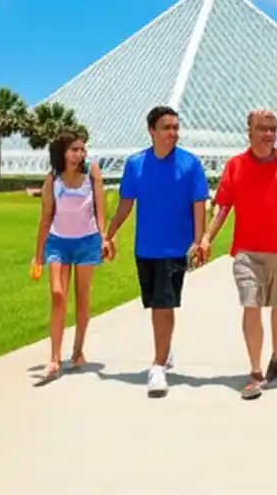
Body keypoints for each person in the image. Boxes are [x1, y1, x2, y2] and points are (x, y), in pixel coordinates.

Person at [200, 109, 277, 400]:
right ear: (248, 131)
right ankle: (255, 371)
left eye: (273, 129)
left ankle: (276, 358)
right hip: (247, 253)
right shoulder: (236, 166)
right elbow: (223, 206)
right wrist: (206, 238)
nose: (268, 134)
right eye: (262, 128)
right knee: (250, 304)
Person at [105, 105, 209, 398]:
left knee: (164, 305)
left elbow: (198, 203)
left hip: (175, 248)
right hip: (145, 249)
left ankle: (158, 366)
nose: (173, 133)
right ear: (151, 130)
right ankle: (166, 346)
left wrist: (198, 240)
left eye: (176, 127)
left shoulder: (190, 165)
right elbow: (126, 203)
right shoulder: (135, 164)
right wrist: (109, 233)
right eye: (166, 128)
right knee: (155, 305)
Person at [32, 131, 111, 384]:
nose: (80, 154)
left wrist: (105, 238)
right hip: (58, 243)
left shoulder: (92, 173)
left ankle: (77, 351)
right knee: (57, 293)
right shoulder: (53, 179)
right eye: (74, 149)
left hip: (87, 242)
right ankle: (54, 358)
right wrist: (37, 256)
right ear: (63, 152)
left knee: (82, 296)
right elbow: (45, 218)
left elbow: (100, 209)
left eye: (82, 149)